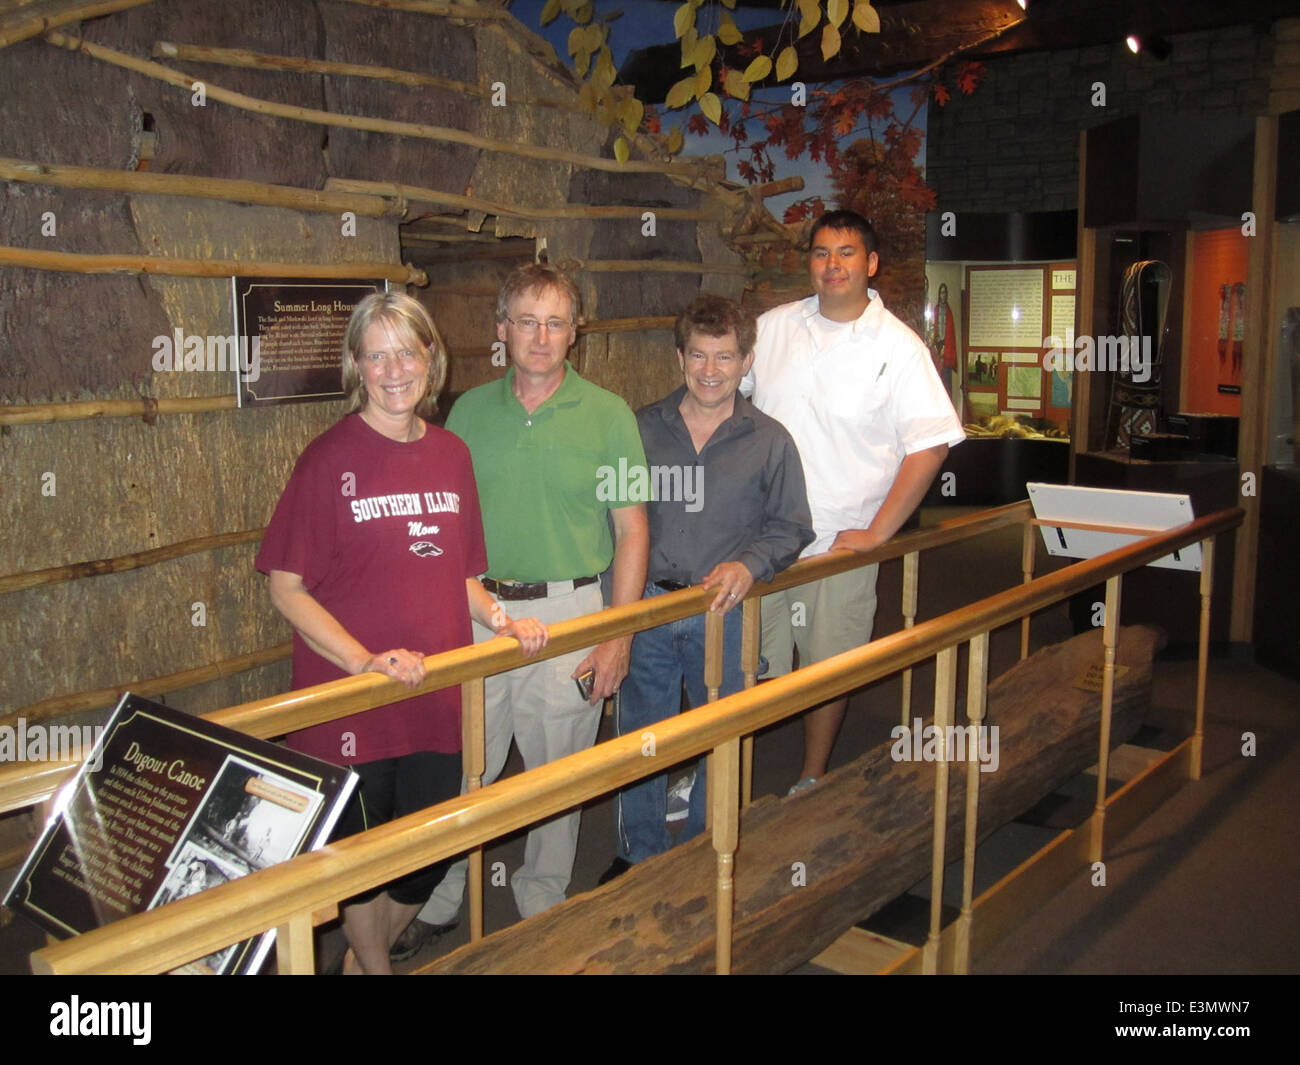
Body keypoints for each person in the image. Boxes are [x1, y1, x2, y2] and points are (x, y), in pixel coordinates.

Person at [256, 292, 547, 974]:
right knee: (360, 858)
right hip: (351, 701)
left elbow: (459, 574)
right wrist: (362, 661)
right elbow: (284, 585)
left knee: (426, 851)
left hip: (435, 690)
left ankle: (360, 963)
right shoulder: (326, 460)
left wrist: (504, 620)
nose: (394, 369)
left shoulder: (450, 454)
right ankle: (376, 968)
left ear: (430, 359)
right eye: (377, 353)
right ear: (357, 364)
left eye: (406, 352)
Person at [399, 263, 648, 944]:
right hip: (483, 615)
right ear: (501, 327)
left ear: (576, 333)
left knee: (557, 767)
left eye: (556, 321)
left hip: (571, 612)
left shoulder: (610, 415)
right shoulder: (468, 412)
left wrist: (616, 637)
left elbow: (631, 532)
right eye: (527, 320)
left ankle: (541, 895)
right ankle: (443, 893)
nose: (541, 336)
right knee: (464, 764)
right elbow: (444, 529)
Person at [744, 210, 964, 792]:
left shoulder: (899, 347)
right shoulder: (771, 329)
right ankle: (724, 777)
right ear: (809, 263)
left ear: (870, 264)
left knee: (828, 667)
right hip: (763, 538)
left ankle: (812, 775)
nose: (832, 264)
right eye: (820, 253)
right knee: (748, 664)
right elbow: (725, 399)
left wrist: (878, 533)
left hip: (839, 540)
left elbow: (930, 446)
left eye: (846, 253)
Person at [600, 295, 813, 881]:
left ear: (747, 361)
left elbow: (792, 525)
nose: (711, 370)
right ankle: (637, 851)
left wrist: (750, 563)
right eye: (699, 356)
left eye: (725, 357)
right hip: (647, 607)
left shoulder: (770, 440)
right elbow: (613, 518)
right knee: (642, 733)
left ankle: (702, 848)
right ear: (679, 358)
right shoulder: (640, 428)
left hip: (726, 611)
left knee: (722, 734)